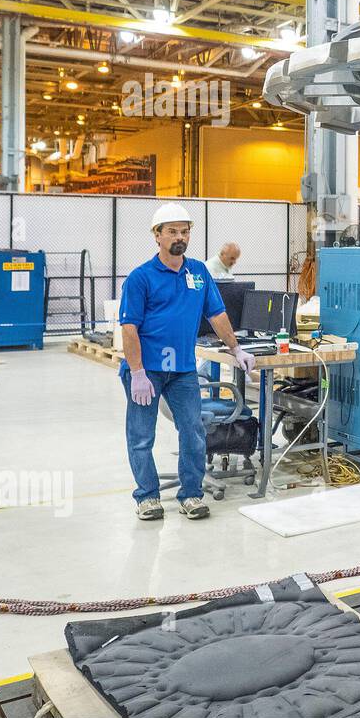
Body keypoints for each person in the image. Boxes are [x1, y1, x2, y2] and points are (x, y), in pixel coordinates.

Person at [119, 204, 255, 521]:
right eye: (172, 232)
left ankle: (191, 494)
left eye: (185, 231)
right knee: (141, 436)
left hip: (182, 371)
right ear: (157, 236)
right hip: (147, 371)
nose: (180, 237)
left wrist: (236, 349)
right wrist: (137, 372)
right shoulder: (141, 278)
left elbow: (217, 314)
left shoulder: (198, 272)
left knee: (193, 432)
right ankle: (147, 496)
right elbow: (129, 329)